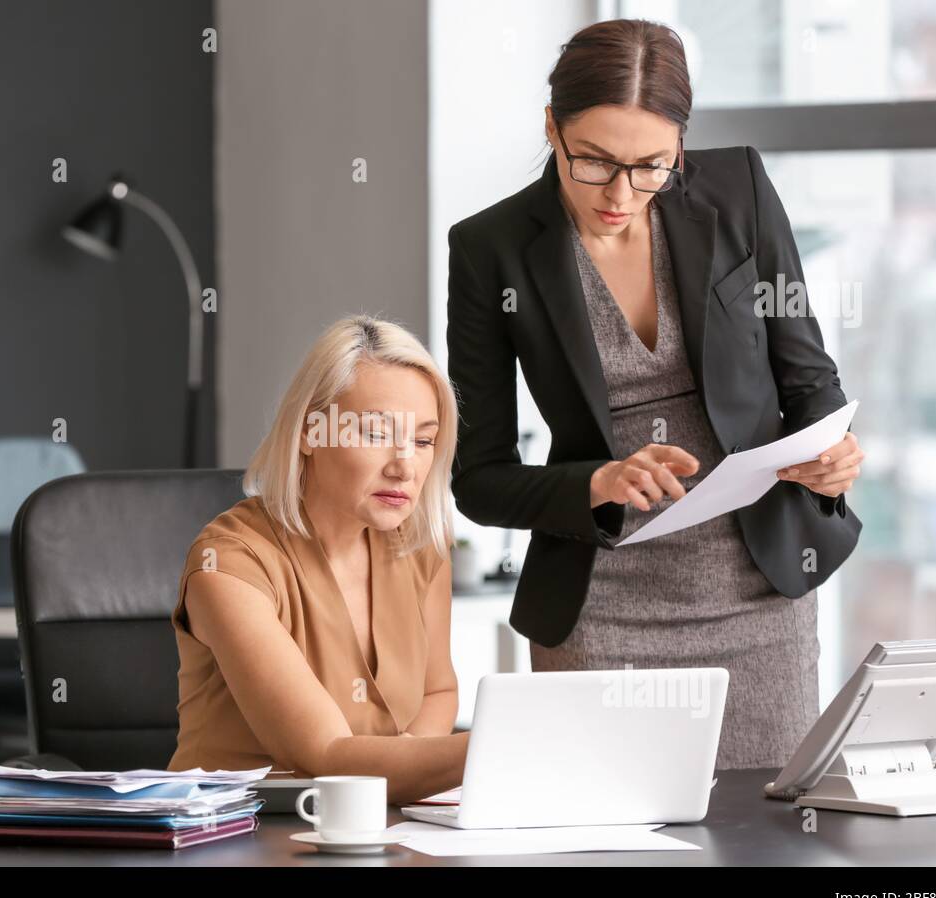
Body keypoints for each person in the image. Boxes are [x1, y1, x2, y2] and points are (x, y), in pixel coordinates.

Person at [445, 19, 864, 769]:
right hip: (599, 609)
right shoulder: (491, 249)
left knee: (766, 837)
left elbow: (809, 381)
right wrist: (596, 484)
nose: (620, 193)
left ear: (680, 145)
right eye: (594, 162)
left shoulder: (739, 191)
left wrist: (831, 454)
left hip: (759, 597)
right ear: (552, 127)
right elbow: (478, 479)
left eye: (652, 167)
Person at [168, 315, 468, 804]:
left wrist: (414, 758)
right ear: (311, 432)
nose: (405, 466)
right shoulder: (227, 566)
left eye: (423, 440)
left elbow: (437, 693)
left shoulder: (420, 546)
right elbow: (325, 756)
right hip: (234, 836)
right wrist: (495, 751)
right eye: (375, 434)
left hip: (371, 825)